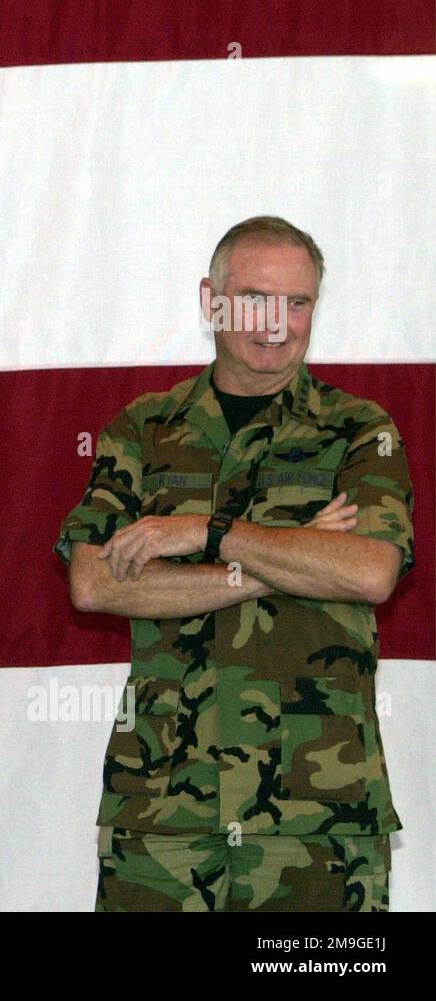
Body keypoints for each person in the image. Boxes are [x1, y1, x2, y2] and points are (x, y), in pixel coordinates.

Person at [55, 217, 415, 911]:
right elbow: (94, 583)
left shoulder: (359, 429)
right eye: (255, 298)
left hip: (317, 817)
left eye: (299, 302)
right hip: (165, 809)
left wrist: (204, 531)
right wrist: (281, 558)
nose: (277, 324)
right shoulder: (144, 428)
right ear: (210, 300)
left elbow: (369, 571)